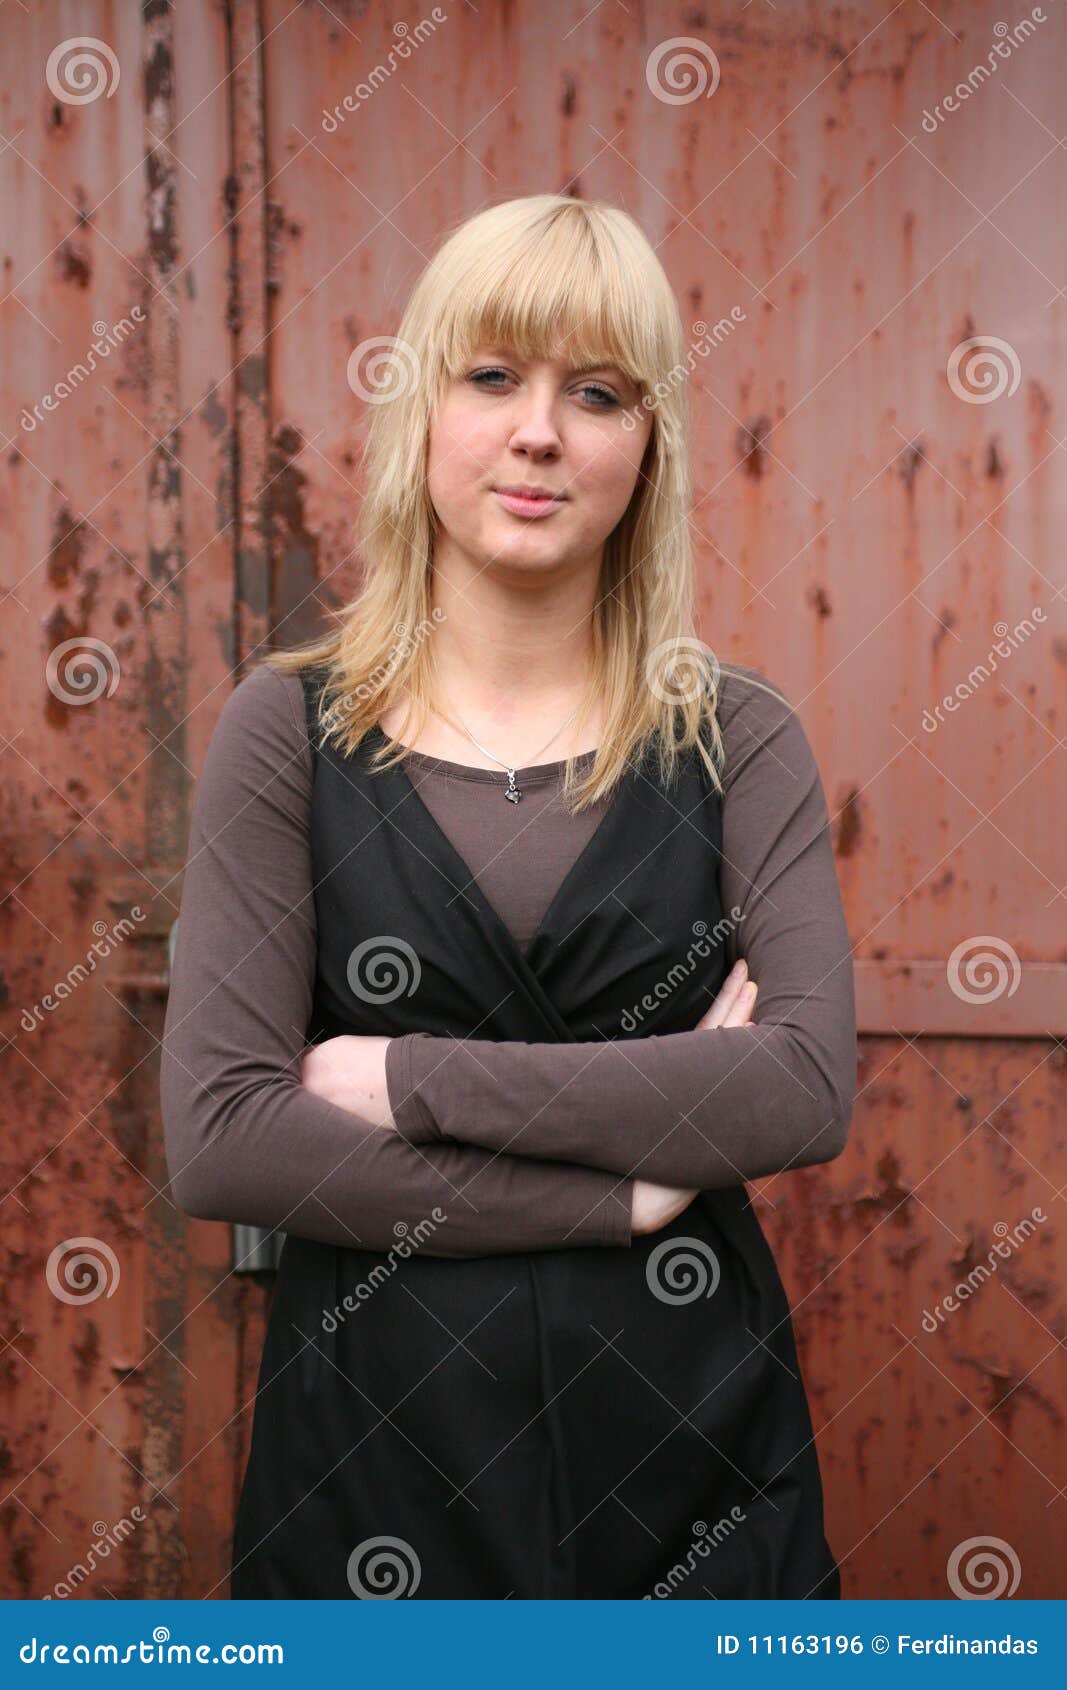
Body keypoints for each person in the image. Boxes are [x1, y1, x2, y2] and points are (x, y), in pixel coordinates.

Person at [160, 193, 857, 1600]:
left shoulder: (742, 737)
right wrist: (630, 1184)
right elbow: (225, 1139)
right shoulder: (285, 731)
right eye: (494, 377)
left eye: (596, 392)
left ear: (645, 441)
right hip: (374, 1472)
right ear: (422, 406)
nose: (540, 430)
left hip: (697, 1470)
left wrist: (404, 1073)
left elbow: (798, 1088)